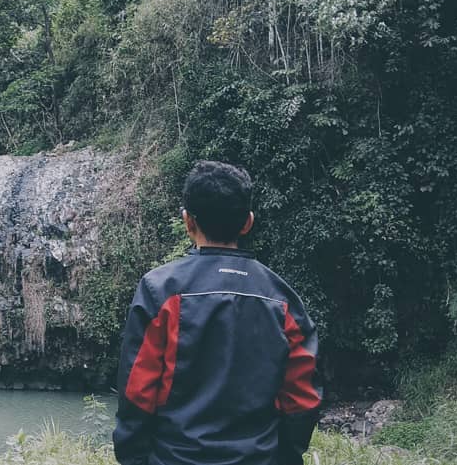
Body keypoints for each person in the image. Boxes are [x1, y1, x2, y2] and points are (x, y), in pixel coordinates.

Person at [113, 161, 322, 465]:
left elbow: (137, 392)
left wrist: (135, 458)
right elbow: (302, 398)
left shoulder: (160, 292)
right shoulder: (282, 299)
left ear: (188, 222)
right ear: (248, 222)